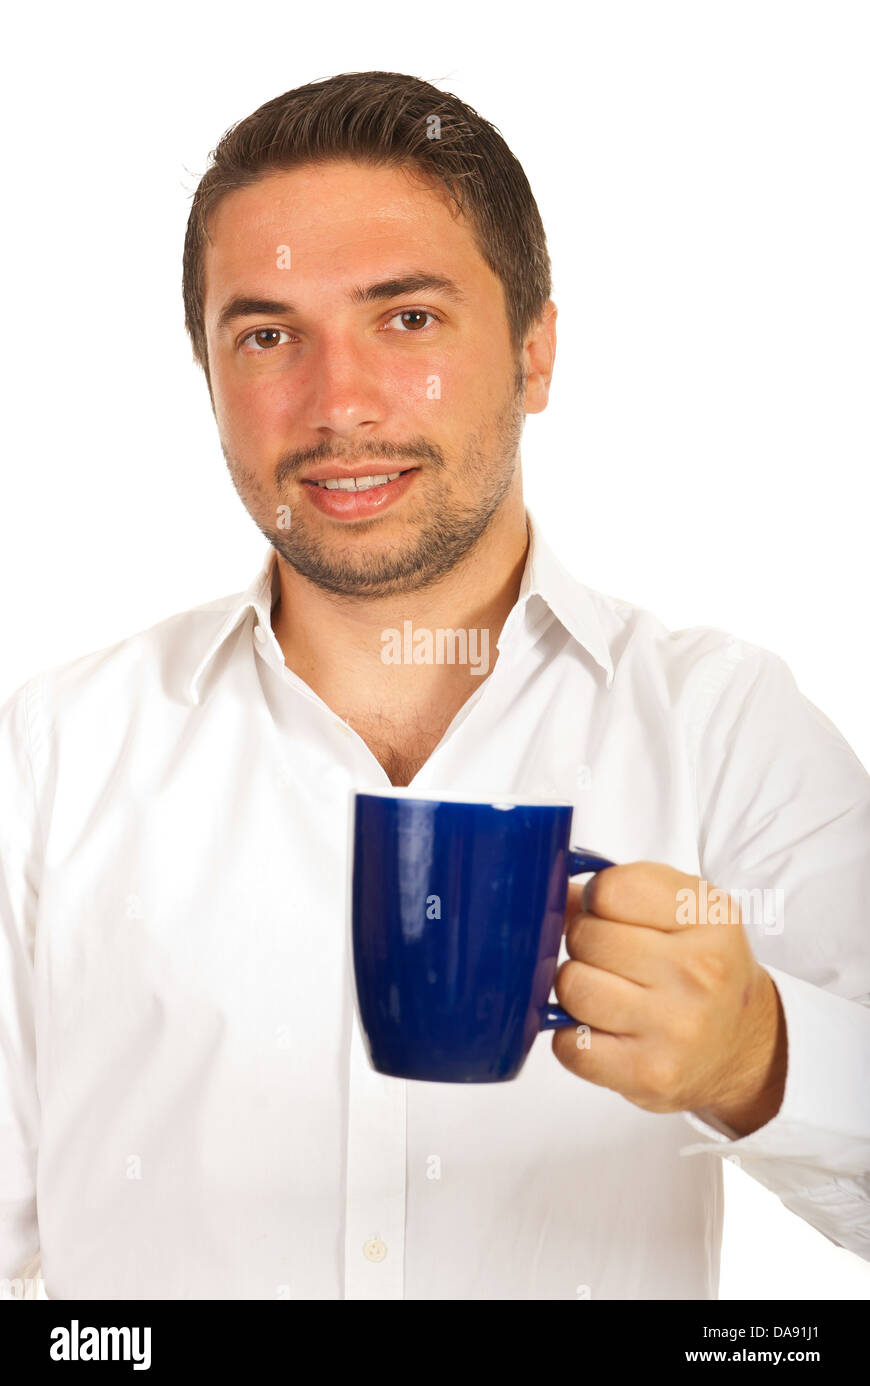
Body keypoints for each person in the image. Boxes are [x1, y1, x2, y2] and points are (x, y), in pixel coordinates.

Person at [1, 71, 867, 1301]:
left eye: (406, 318)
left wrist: (759, 1058)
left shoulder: (728, 729)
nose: (339, 405)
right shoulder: (49, 760)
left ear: (535, 351)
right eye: (267, 335)